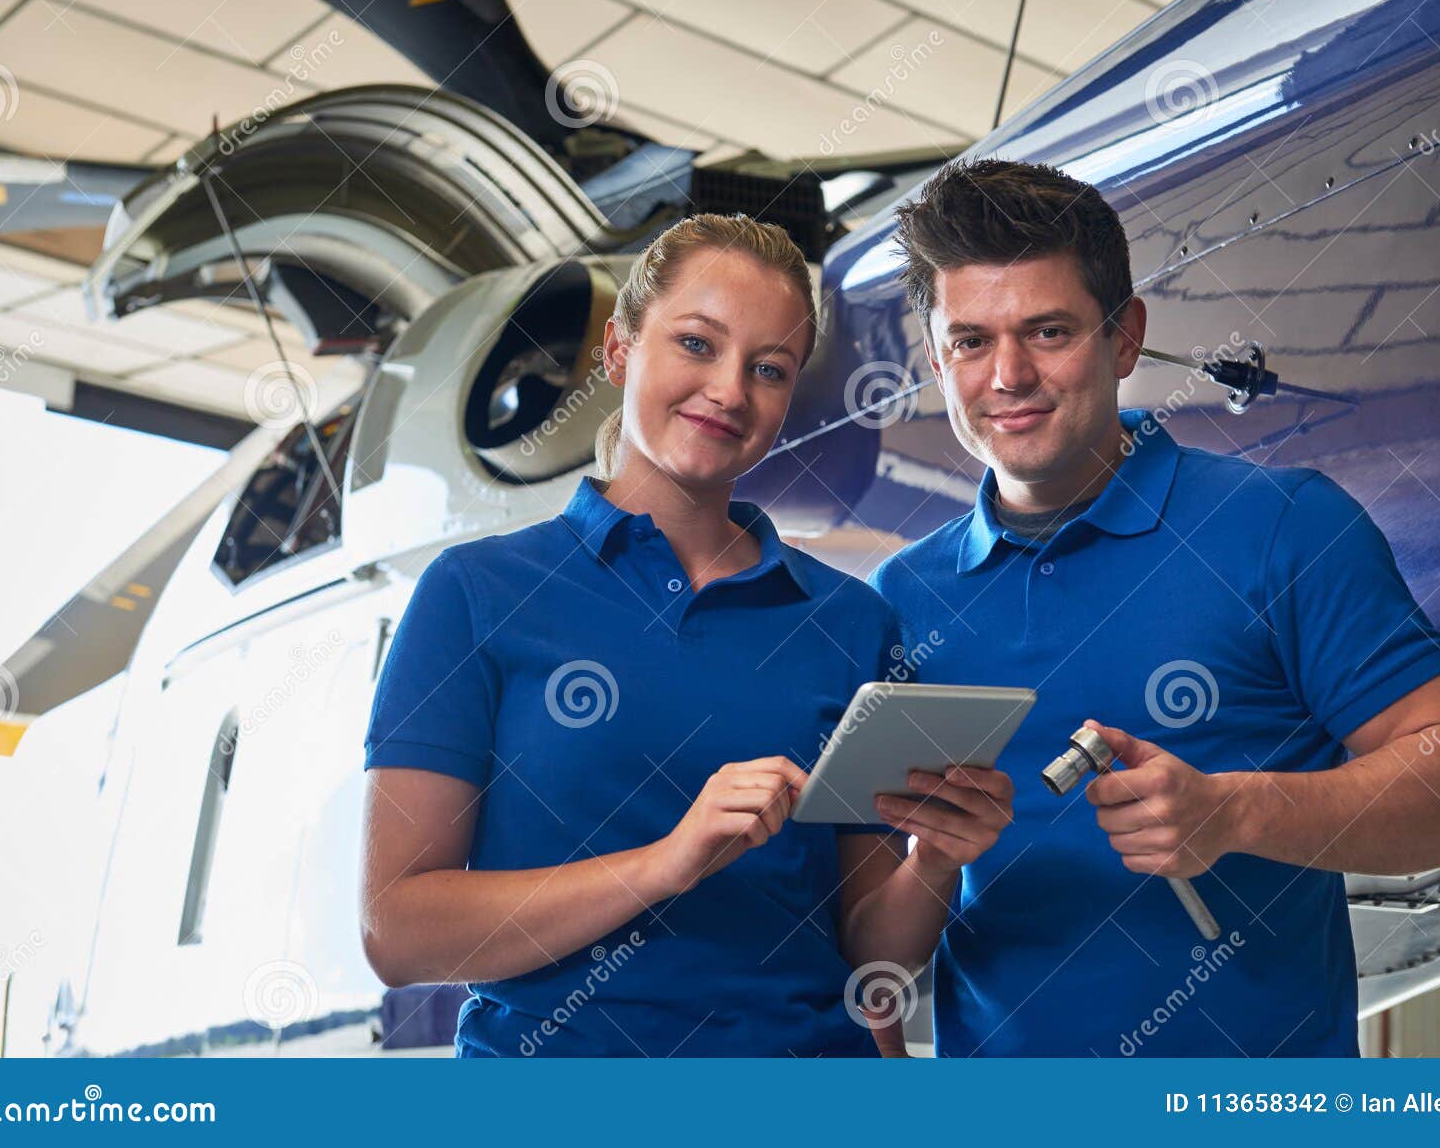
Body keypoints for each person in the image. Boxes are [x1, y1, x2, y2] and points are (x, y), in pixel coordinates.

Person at [861, 157, 1440, 1057]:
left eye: (1048, 331)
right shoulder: (899, 601)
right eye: (971, 341)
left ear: (1124, 337)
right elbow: (861, 948)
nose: (1007, 374)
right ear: (937, 359)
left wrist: (1235, 812)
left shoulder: (1282, 527)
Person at [358, 212, 1013, 1057]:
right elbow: (398, 933)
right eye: (697, 344)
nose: (730, 391)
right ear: (620, 348)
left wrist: (935, 859)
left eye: (769, 369)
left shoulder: (853, 623)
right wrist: (665, 863)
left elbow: (872, 959)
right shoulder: (478, 595)